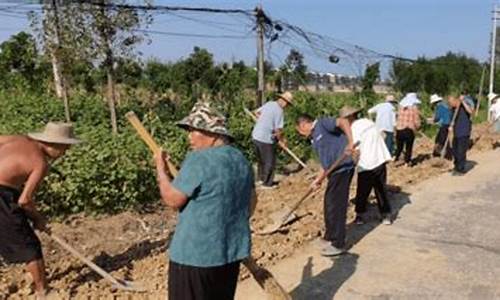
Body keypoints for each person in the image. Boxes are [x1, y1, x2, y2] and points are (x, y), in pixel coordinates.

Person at [154, 102, 256, 300]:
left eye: (193, 131)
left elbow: (172, 199)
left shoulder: (198, 159)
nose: (189, 137)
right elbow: (251, 203)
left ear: (212, 134)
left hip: (195, 257)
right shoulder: (241, 159)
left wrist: (160, 169)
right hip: (229, 253)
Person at [0, 122, 81, 299]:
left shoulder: (17, 139)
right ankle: (43, 291)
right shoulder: (40, 163)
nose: (63, 154)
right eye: (64, 149)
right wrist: (38, 218)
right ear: (53, 144)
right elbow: (25, 200)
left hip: (6, 191)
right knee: (29, 245)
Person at [295, 111, 354, 257]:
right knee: (329, 204)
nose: (301, 134)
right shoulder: (314, 139)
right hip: (333, 172)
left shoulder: (322, 124)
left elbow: (343, 121)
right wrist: (318, 180)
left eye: (300, 131)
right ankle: (329, 235)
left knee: (337, 206)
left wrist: (351, 142)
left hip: (343, 168)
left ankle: (338, 243)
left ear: (304, 124)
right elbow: (324, 164)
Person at [345, 107, 393, 225]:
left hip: (367, 161)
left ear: (350, 117)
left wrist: (352, 163)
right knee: (381, 188)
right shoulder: (368, 122)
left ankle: (360, 215)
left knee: (362, 190)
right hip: (380, 157)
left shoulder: (354, 128)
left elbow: (355, 149)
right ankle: (385, 215)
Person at [251, 91, 293, 189]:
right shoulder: (279, 111)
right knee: (270, 161)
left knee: (261, 160)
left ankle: (261, 179)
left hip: (256, 136)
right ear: (284, 101)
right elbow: (278, 130)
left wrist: (263, 121)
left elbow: (256, 112)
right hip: (266, 138)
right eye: (287, 104)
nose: (286, 106)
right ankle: (267, 184)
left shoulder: (269, 103)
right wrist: (282, 140)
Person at [449, 93, 474, 175]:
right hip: (456, 132)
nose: (450, 104)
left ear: (456, 100)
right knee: (455, 151)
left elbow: (471, 112)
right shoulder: (453, 109)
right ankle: (456, 167)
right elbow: (452, 119)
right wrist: (451, 126)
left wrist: (463, 101)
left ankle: (461, 169)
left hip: (464, 131)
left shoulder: (464, 106)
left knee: (461, 151)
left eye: (451, 102)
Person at [394, 95, 421, 166]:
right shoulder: (414, 108)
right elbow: (416, 120)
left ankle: (396, 159)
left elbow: (397, 118)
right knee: (408, 147)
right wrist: (418, 127)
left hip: (399, 130)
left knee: (399, 146)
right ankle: (407, 161)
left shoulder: (400, 108)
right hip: (408, 130)